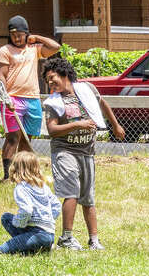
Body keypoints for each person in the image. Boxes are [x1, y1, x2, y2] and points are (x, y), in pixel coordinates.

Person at [42, 55, 125, 251]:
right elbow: (52, 130)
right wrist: (77, 124)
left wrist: (115, 125)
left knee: (88, 197)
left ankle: (94, 240)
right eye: (47, 80)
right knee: (71, 194)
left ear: (64, 74)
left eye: (52, 77)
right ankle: (66, 238)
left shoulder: (86, 89)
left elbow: (102, 103)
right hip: (65, 151)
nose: (50, 82)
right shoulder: (53, 102)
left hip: (87, 151)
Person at [0, 16, 59, 178]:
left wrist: (36, 38)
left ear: (26, 34)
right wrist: (4, 95)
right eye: (13, 34)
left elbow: (55, 47)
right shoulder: (5, 51)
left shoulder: (34, 49)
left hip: (33, 99)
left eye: (21, 34)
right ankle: (7, 176)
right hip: (12, 99)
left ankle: (22, 173)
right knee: (13, 138)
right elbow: (1, 75)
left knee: (27, 138)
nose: (17, 37)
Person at [0, 149, 59, 255]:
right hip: (50, 234)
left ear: (15, 169)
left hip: (36, 234)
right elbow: (56, 205)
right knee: (6, 217)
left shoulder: (21, 188)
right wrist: (48, 220)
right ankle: (40, 247)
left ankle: (29, 245)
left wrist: (18, 223)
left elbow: (27, 210)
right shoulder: (43, 185)